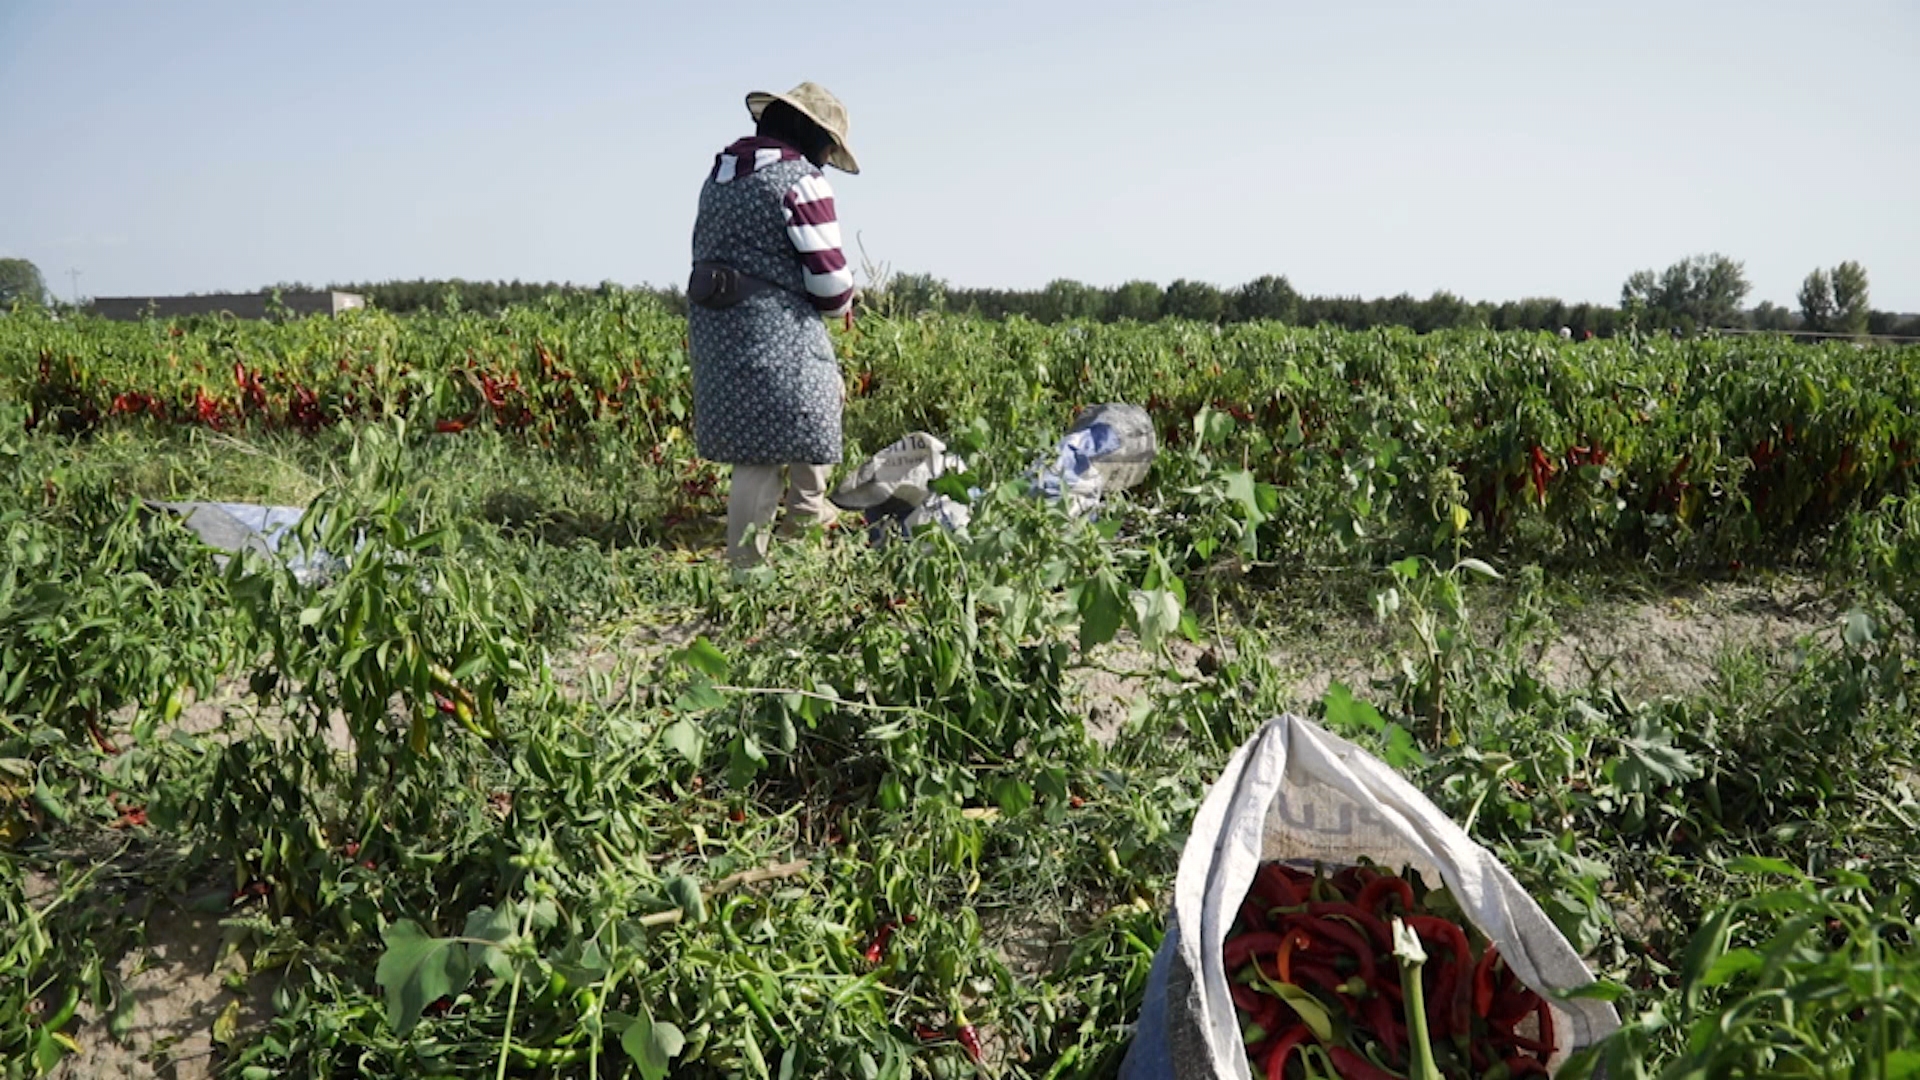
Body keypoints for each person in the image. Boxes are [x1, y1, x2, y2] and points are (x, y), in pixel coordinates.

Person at [686, 82, 860, 568]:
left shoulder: (721, 176)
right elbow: (829, 284)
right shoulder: (800, 180)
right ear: (811, 135)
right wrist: (846, 298)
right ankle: (751, 572)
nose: (827, 158)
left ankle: (804, 525)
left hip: (718, 324)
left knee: (811, 407)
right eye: (827, 146)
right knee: (763, 454)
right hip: (773, 326)